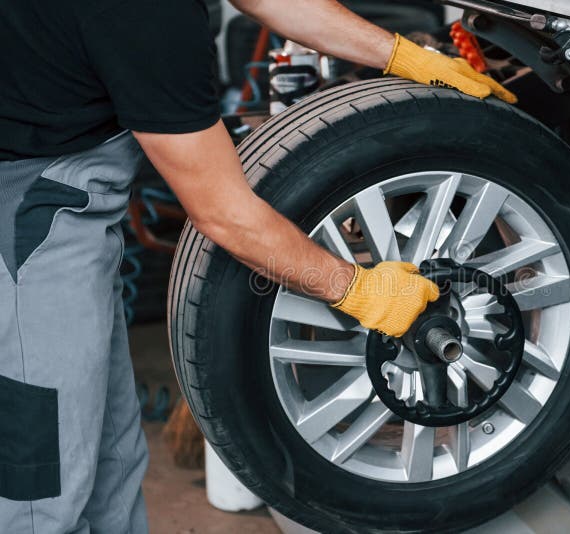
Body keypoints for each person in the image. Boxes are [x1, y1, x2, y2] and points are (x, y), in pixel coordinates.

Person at [0, 0, 516, 531]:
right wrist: (357, 290)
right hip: (27, 218)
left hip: (66, 191)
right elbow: (225, 215)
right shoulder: (148, 15)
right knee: (44, 487)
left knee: (109, 457)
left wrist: (401, 54)